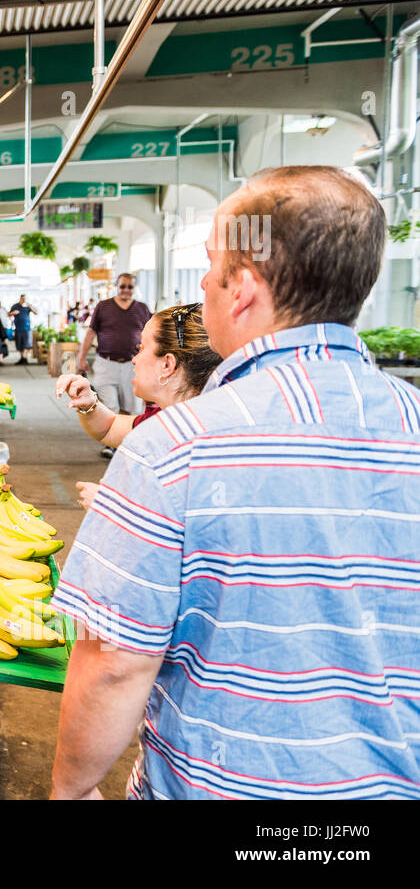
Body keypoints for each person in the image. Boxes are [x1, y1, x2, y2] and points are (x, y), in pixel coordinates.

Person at [49, 166, 420, 800]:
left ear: (242, 289)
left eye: (210, 268)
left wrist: (71, 791)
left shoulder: (175, 446)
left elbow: (115, 660)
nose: (202, 286)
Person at [56, 303, 220, 508]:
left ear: (167, 365)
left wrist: (114, 507)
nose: (134, 360)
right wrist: (89, 403)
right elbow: (109, 428)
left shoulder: (203, 440)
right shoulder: (162, 418)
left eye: (141, 349)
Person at [76, 274, 153, 456]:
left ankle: (123, 444)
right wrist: (81, 357)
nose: (126, 290)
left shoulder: (142, 309)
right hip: (106, 363)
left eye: (130, 287)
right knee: (108, 404)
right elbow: (91, 333)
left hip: (133, 365)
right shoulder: (104, 307)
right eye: (122, 286)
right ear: (116, 287)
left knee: (130, 406)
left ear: (134, 289)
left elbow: (151, 334)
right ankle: (109, 444)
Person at [7, 295, 37, 364]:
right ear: (20, 299)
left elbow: (36, 313)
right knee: (19, 344)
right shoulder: (15, 306)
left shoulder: (28, 306)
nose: (24, 300)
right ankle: (22, 358)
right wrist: (13, 313)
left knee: (26, 344)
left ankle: (24, 357)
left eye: (25, 299)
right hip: (18, 328)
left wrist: (30, 306)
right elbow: (8, 314)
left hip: (27, 328)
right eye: (22, 299)